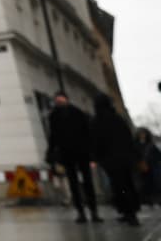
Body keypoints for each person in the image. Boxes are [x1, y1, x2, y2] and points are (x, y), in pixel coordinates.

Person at [46, 91, 102, 223]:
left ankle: (93, 211)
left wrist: (91, 155)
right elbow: (53, 137)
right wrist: (51, 153)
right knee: (74, 183)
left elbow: (87, 134)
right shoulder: (54, 116)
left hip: (81, 153)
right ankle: (81, 211)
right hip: (67, 154)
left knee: (86, 183)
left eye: (61, 99)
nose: (59, 102)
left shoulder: (77, 113)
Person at [91, 93, 140, 226]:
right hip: (123, 158)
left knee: (119, 186)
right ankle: (130, 211)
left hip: (111, 160)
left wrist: (96, 157)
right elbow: (128, 138)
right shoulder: (117, 119)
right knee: (127, 184)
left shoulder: (98, 120)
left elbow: (96, 142)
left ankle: (128, 212)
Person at [136, 128, 161, 207]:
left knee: (152, 183)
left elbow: (157, 155)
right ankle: (146, 199)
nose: (142, 135)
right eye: (141, 134)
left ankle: (152, 199)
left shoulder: (150, 145)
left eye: (143, 134)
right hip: (140, 166)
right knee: (143, 183)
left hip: (151, 167)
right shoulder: (136, 144)